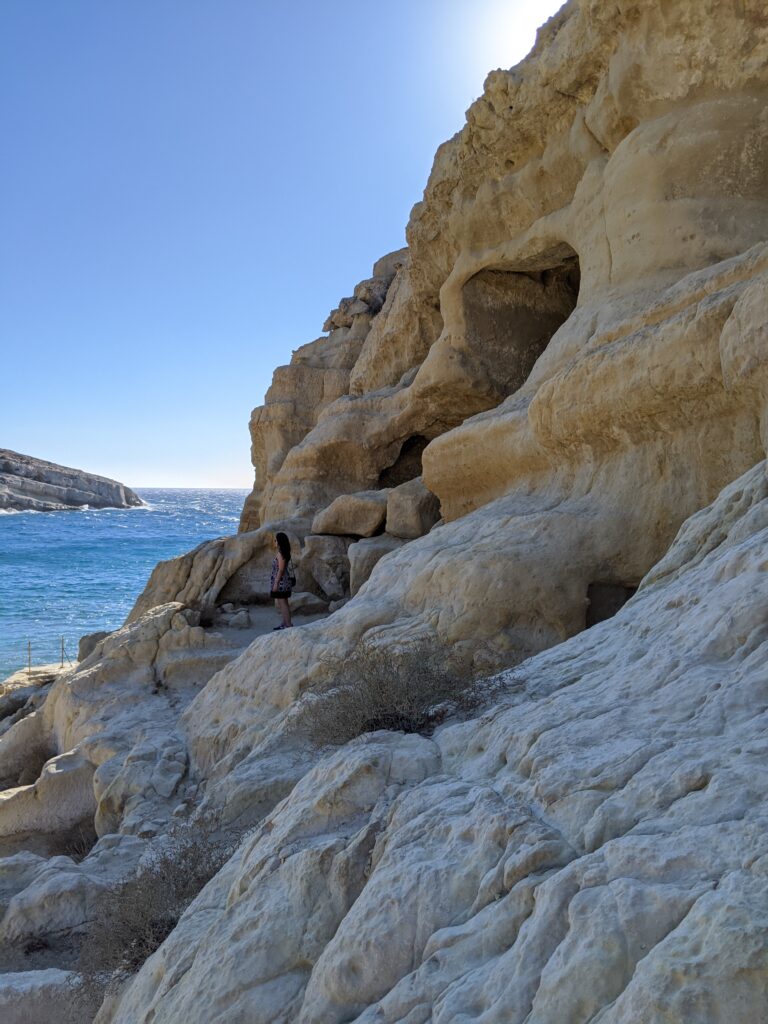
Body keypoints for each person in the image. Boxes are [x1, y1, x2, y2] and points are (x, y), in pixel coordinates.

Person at [270, 531, 295, 630]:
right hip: (284, 581)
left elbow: (280, 569)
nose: (275, 542)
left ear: (279, 541)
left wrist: (276, 583)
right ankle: (285, 623)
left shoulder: (281, 554)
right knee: (284, 602)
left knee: (282, 603)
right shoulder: (285, 552)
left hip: (281, 582)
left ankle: (287, 624)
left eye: (276, 540)